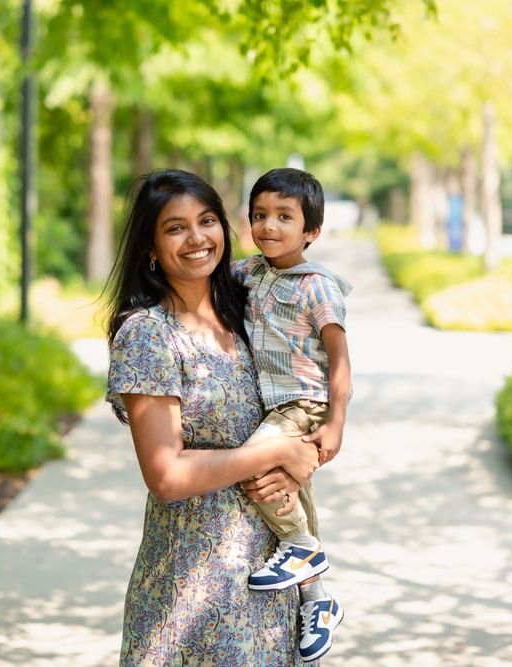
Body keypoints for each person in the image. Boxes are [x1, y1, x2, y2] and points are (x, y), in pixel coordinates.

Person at [105, 168, 322, 666]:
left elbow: (302, 402)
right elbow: (166, 475)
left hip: (270, 582)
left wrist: (304, 452)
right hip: (192, 593)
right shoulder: (149, 334)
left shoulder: (248, 313)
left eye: (207, 220)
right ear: (150, 248)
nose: (197, 237)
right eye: (175, 227)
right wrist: (274, 454)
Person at [232, 167, 352, 662]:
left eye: (284, 217)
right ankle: (318, 601)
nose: (269, 227)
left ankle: (301, 545)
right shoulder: (251, 273)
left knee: (253, 463)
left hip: (304, 403)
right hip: (274, 404)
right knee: (292, 490)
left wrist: (336, 420)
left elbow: (340, 357)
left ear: (311, 232)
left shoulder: (317, 287)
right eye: (260, 215)